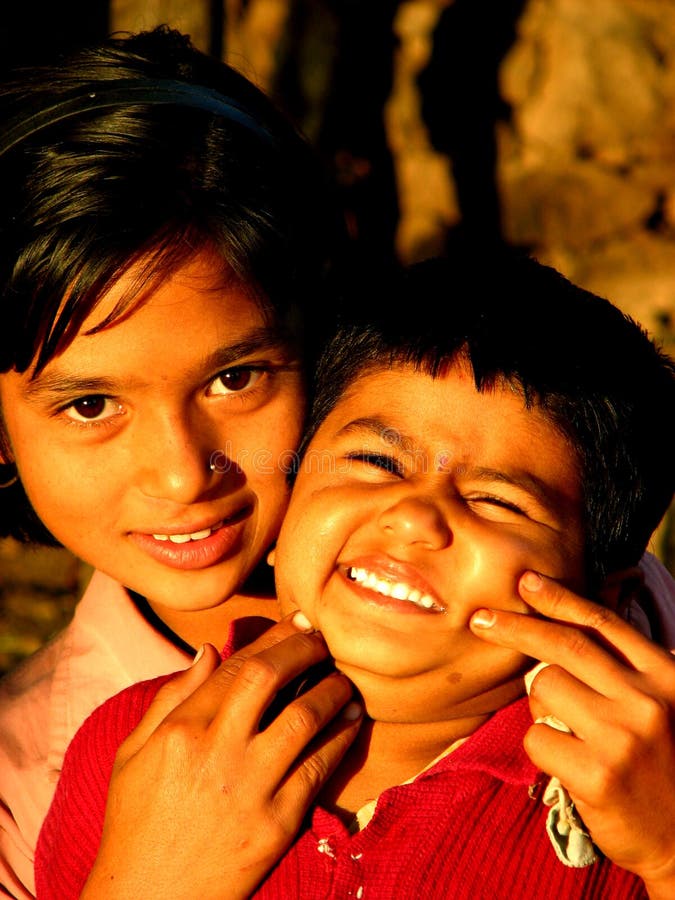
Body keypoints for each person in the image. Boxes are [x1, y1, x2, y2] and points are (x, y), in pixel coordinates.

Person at [36, 252, 675, 898]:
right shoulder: (134, 749)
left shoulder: (638, 786)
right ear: (289, 499)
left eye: (497, 502)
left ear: (604, 592)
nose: (414, 517)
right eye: (375, 460)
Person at [0, 25, 363, 900]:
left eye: (236, 378)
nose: (180, 475)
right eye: (91, 405)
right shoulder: (17, 797)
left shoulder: (538, 592)